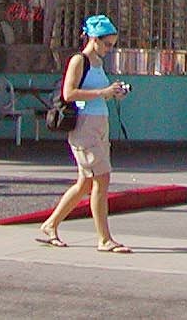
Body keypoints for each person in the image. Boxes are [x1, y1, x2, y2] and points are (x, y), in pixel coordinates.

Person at [37, 14, 131, 253]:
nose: (109, 49)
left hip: (99, 124)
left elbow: (97, 93)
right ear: (94, 39)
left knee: (86, 182)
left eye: (112, 45)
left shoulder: (98, 63)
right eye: (107, 44)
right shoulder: (79, 61)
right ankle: (104, 238)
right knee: (102, 178)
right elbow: (69, 94)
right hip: (84, 126)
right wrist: (102, 92)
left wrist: (113, 93)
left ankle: (50, 225)